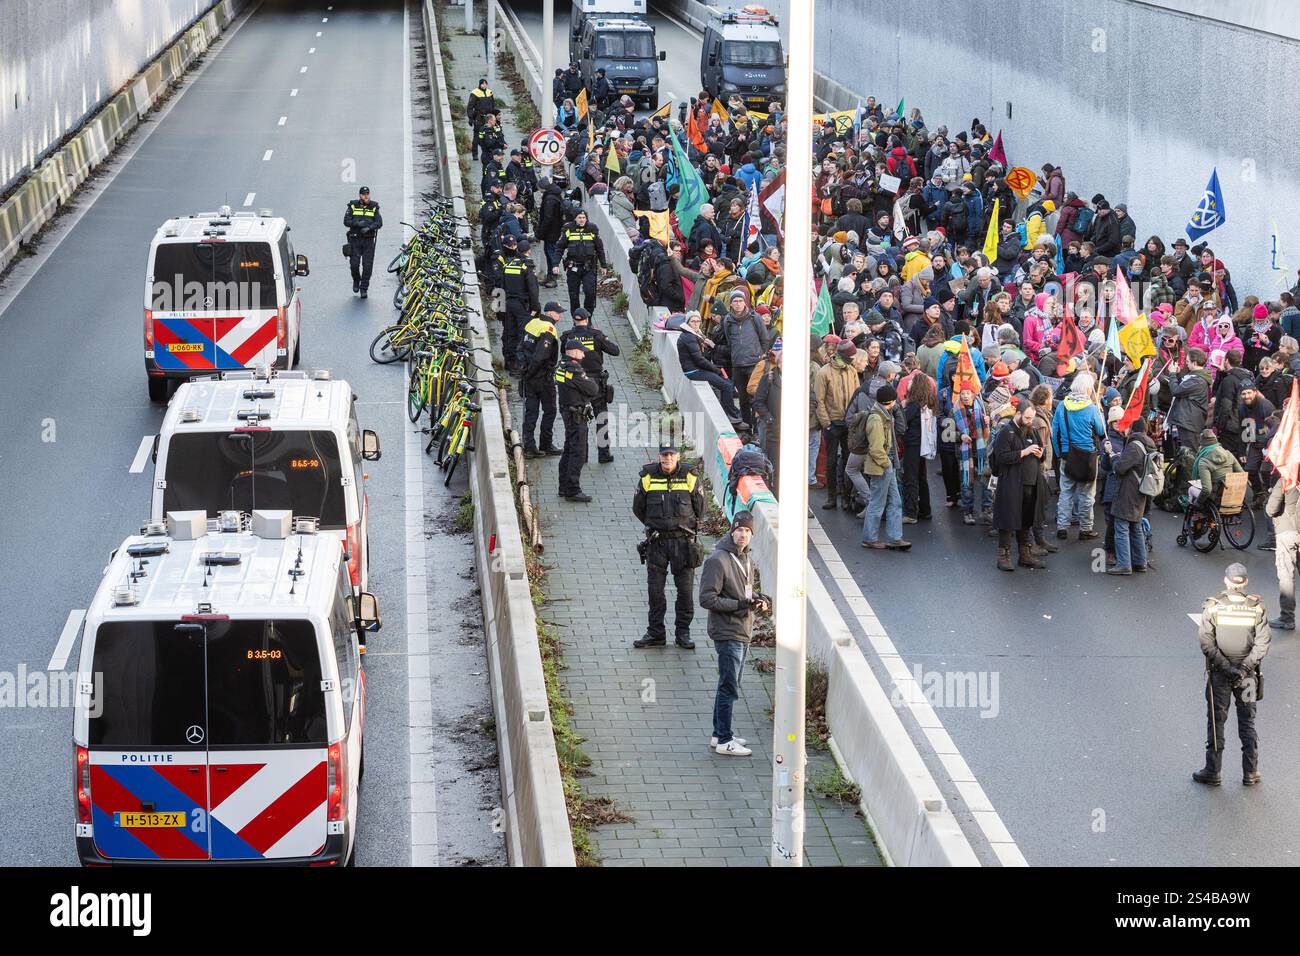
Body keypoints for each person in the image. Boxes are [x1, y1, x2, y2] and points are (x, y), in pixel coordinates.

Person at [698, 511, 769, 756]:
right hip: (728, 631)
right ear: (732, 531)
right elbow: (707, 599)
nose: (743, 535)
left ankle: (719, 734)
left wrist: (757, 599)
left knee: (729, 684)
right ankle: (725, 740)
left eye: (748, 531)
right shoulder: (718, 560)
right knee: (729, 687)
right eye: (739, 530)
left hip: (742, 628)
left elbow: (743, 593)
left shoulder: (746, 559)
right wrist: (739, 605)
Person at [1194, 563, 1270, 787]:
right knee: (1247, 723)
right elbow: (1262, 643)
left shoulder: (1214, 607)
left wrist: (1227, 668)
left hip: (1220, 676)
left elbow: (1207, 643)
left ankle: (1213, 771)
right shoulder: (1257, 608)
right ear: (1245, 582)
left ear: (1226, 581)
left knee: (1217, 723)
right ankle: (1251, 772)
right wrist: (1245, 669)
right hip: (1247, 679)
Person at [633, 444, 708, 650]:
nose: (667, 458)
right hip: (656, 543)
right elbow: (638, 507)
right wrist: (655, 525)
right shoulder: (648, 476)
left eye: (671, 455)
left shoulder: (690, 476)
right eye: (664, 455)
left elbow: (701, 508)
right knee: (655, 591)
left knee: (685, 592)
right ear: (659, 456)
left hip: (683, 543)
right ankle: (656, 633)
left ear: (678, 456)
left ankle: (683, 634)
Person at [991, 399, 1047, 571]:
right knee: (1008, 518)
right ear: (1018, 414)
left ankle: (1025, 554)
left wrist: (1040, 454)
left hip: (1031, 483)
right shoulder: (1005, 432)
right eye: (1028, 418)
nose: (1030, 421)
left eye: (1032, 418)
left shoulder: (1033, 431)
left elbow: (1041, 456)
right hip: (1012, 483)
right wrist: (1024, 452)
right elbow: (1001, 457)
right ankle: (1003, 555)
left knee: (1026, 519)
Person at [560, 308, 620, 463]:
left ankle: (583, 455)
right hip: (596, 383)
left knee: (581, 419)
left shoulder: (567, 337)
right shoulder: (596, 335)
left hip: (576, 382)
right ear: (587, 319)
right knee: (601, 417)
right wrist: (602, 339)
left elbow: (563, 355)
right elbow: (615, 351)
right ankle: (604, 454)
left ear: (574, 320)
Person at [1052, 372, 1106, 540]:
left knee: (1066, 491)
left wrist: (1059, 452)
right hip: (1088, 457)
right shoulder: (1091, 409)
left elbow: (1055, 433)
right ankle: (1085, 528)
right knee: (1087, 494)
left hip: (1067, 455)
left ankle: (1062, 526)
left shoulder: (1062, 406)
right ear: (1089, 389)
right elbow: (1100, 430)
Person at [861, 386, 911, 551]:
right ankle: (870, 538)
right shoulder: (876, 419)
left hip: (886, 465)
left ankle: (895, 538)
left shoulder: (883, 414)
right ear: (890, 402)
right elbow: (876, 449)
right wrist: (887, 464)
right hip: (882, 466)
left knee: (895, 502)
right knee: (877, 502)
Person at [814, 341, 860, 510]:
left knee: (849, 461)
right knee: (831, 461)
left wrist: (855, 419)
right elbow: (818, 400)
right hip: (833, 423)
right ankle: (832, 496)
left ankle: (846, 497)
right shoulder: (823, 373)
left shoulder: (852, 371)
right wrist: (826, 423)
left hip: (849, 423)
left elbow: (856, 396)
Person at [554, 343, 601, 503]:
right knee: (578, 453)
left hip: (568, 412)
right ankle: (573, 490)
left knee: (568, 449)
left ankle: (563, 486)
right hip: (576, 416)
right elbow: (593, 389)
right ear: (573, 352)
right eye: (581, 352)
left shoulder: (562, 365)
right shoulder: (574, 370)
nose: (583, 355)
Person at [1107, 418, 1155, 574]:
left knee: (1121, 526)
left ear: (1133, 429)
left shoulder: (1134, 446)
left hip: (1129, 491)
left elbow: (1120, 468)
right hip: (1141, 491)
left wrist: (1112, 456)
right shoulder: (1148, 444)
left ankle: (1124, 564)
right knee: (1135, 526)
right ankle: (1140, 562)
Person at [518, 303, 563, 458]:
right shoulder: (548, 329)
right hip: (542, 377)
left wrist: (524, 371)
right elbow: (541, 355)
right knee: (550, 410)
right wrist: (531, 373)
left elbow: (520, 348)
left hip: (528, 375)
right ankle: (546, 444)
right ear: (550, 313)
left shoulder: (531, 323)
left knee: (531, 411)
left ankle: (529, 446)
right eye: (558, 313)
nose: (560, 316)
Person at [493, 232, 539, 373]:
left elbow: (500, 286)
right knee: (522, 334)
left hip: (508, 304)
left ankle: (509, 362)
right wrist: (535, 308)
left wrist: (499, 307)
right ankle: (519, 366)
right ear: (529, 251)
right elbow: (532, 289)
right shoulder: (526, 267)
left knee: (509, 333)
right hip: (521, 305)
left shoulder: (508, 265)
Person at [556, 209, 606, 316]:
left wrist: (603, 265)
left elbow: (600, 248)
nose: (582, 220)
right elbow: (559, 248)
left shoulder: (592, 229)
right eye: (579, 218)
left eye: (584, 218)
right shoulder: (569, 229)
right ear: (575, 218)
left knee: (590, 293)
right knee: (573, 295)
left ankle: (588, 318)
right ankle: (576, 319)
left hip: (589, 268)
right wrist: (555, 265)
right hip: (573, 268)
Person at [1265, 478, 1299, 631]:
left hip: (1287, 533)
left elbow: (1271, 509)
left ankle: (1287, 618)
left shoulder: (1286, 480)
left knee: (1286, 576)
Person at [343, 186, 382, 298]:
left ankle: (364, 288)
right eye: (364, 194)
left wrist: (369, 228)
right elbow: (346, 221)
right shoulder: (353, 205)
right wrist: (357, 224)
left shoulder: (374, 207)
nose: (366, 196)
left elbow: (379, 223)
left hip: (368, 241)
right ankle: (356, 280)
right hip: (355, 239)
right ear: (360, 195)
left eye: (368, 194)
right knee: (354, 265)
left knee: (367, 266)